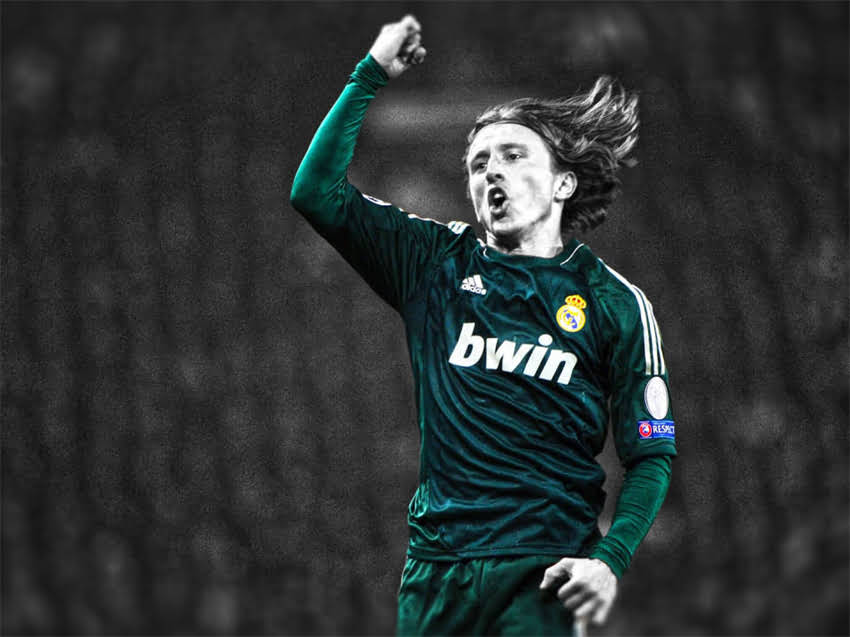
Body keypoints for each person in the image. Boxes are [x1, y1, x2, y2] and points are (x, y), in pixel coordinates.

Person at [290, 15, 677, 636]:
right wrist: (370, 74)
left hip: (543, 573)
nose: (490, 171)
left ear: (563, 183)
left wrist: (610, 560)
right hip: (436, 574)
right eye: (477, 164)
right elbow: (315, 193)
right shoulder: (434, 263)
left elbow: (650, 455)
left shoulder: (616, 303)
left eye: (513, 155)